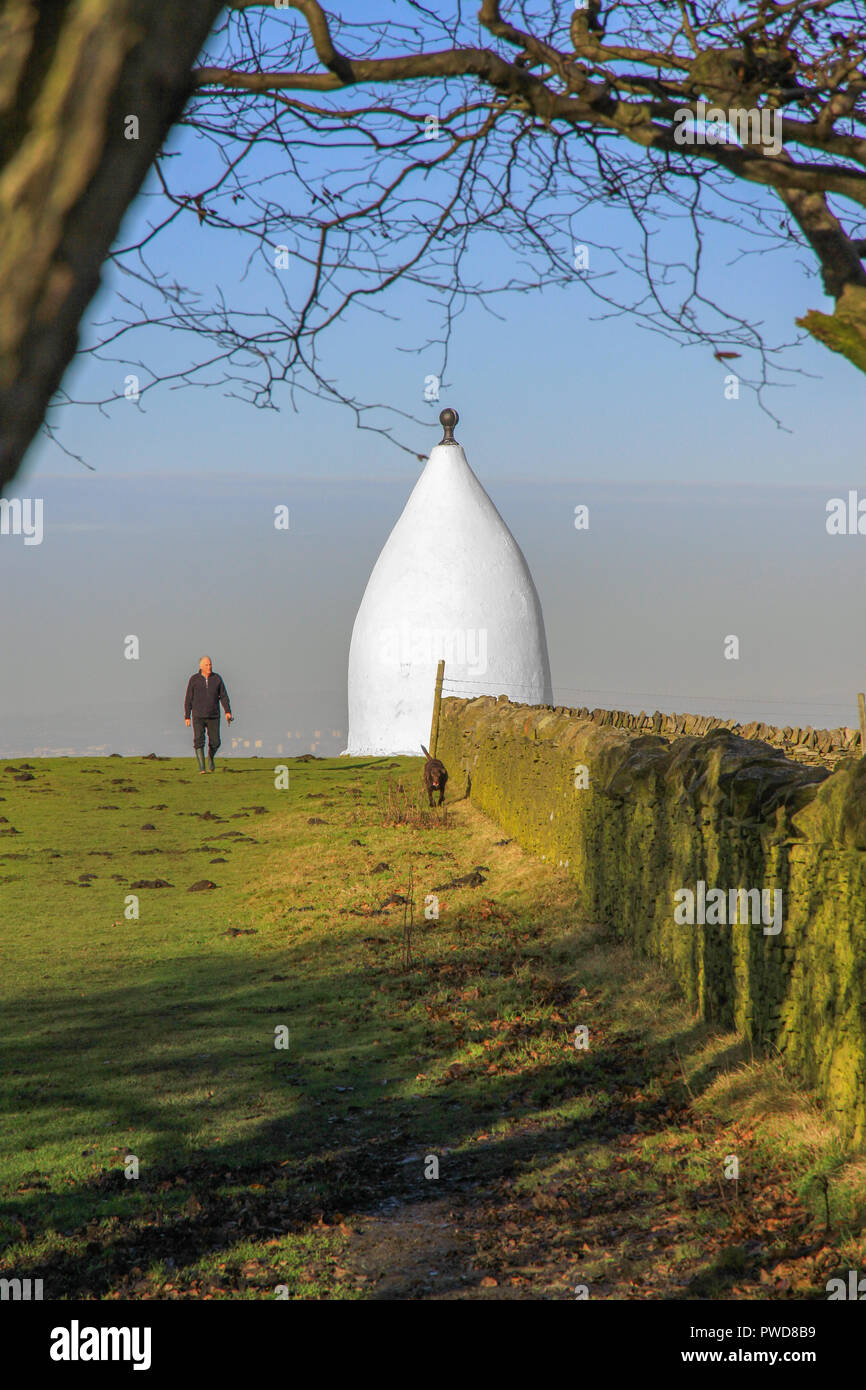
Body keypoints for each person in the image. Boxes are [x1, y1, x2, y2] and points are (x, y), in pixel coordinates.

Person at [184, 656, 233, 773]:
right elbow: (188, 699)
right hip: (198, 716)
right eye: (206, 665)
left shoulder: (217, 679)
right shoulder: (194, 679)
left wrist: (227, 711)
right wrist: (187, 716)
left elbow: (224, 696)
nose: (209, 666)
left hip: (214, 716)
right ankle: (202, 767)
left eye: (210, 664)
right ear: (201, 666)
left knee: (216, 742)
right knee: (198, 740)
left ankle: (210, 757)